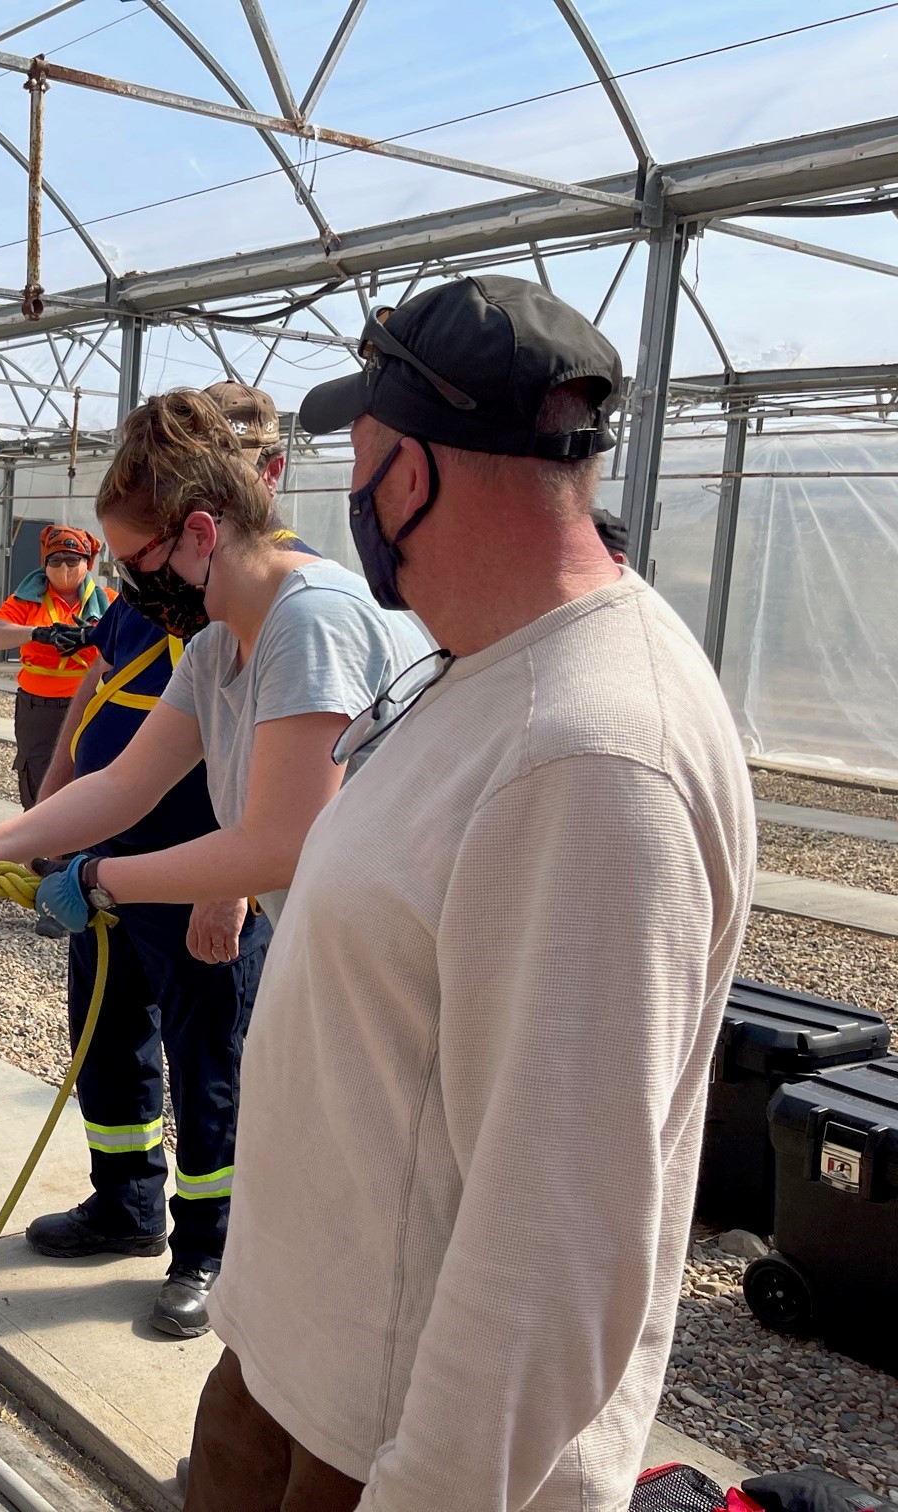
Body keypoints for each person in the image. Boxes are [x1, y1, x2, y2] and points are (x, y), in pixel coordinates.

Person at [184, 276, 754, 1512]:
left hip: (384, 1444)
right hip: (296, 1362)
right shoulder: (484, 662)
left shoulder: (597, 757)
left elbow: (556, 1243)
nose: (344, 495)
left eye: (361, 456)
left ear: (413, 476)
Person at [0, 382, 428, 1135]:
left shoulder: (310, 621)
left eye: (139, 561)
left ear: (201, 535)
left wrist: (100, 879)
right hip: (342, 958)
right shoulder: (217, 643)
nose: (131, 587)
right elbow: (124, 784)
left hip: (401, 974)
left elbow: (280, 844)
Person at [25, 382, 293, 1338]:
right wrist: (54, 803)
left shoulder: (250, 610)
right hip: (108, 865)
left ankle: (209, 1245)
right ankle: (124, 1203)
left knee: (207, 1065)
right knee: (108, 1042)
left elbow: (275, 776)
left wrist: (231, 895)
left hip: (196, 879)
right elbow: (97, 686)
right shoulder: (146, 598)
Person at [0, 523, 114, 806]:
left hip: (91, 703)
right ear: (44, 563)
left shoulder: (109, 602)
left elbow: (132, 638)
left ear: (87, 563)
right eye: (55, 560)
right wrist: (36, 633)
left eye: (72, 559)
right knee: (38, 779)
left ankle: (83, 845)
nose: (64, 567)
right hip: (37, 708)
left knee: (90, 775)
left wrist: (94, 636)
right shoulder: (27, 601)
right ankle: (41, 847)